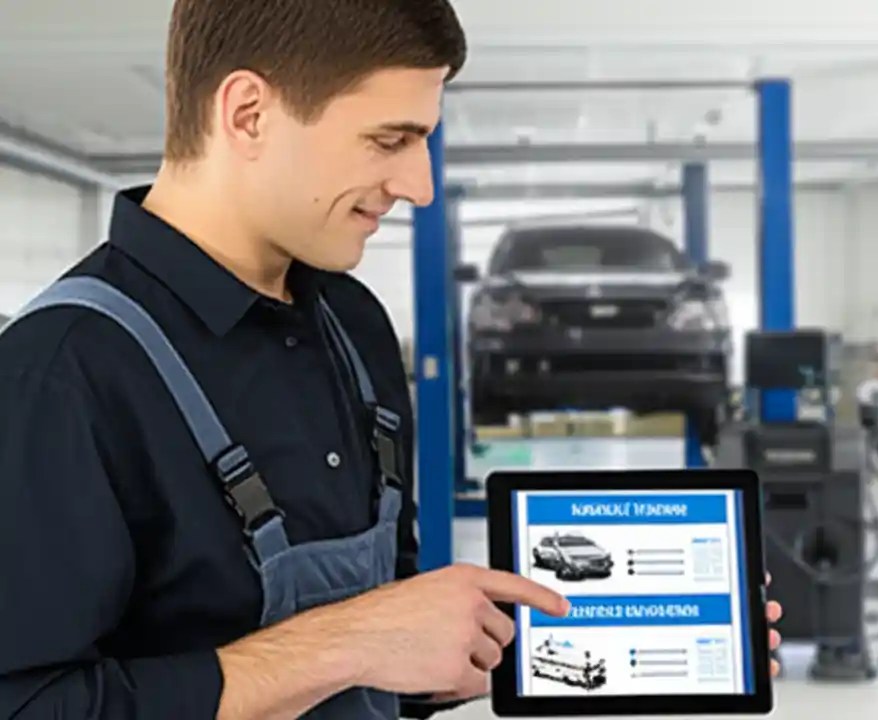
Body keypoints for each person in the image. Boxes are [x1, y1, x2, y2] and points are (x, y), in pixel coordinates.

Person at [0, 1, 784, 718]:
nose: (420, 185)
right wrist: (348, 643)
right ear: (248, 115)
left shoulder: (353, 324)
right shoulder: (59, 373)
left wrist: (482, 648)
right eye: (390, 139)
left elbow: (384, 648)